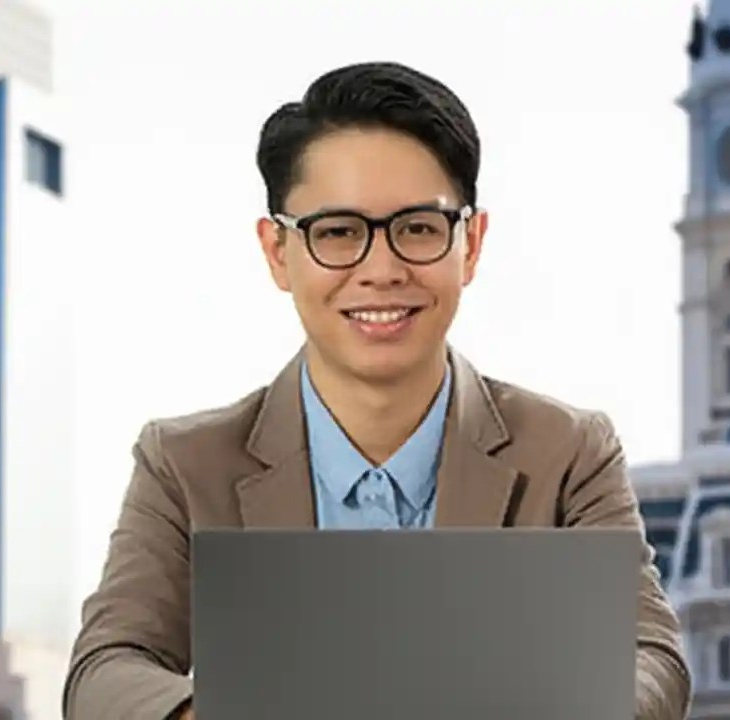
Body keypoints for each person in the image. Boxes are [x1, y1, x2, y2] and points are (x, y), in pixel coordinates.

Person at [62, 61, 692, 720]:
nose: (382, 269)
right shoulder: (185, 464)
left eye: (418, 228)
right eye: (338, 232)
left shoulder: (566, 454)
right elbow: (105, 669)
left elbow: (651, 659)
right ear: (277, 251)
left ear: (471, 244)